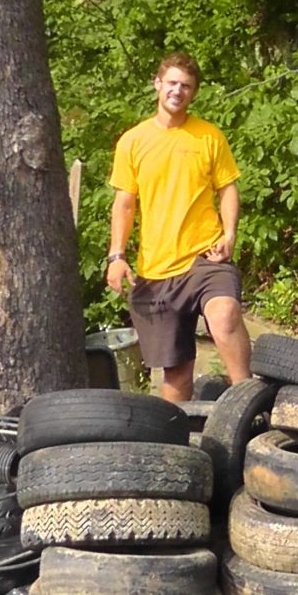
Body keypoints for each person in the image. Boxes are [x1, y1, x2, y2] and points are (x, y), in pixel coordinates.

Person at [106, 52, 251, 401]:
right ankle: (178, 448)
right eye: (171, 83)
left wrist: (229, 234)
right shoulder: (133, 141)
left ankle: (247, 404)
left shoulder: (208, 136)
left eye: (186, 86)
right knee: (176, 378)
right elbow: (124, 204)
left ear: (194, 93)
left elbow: (228, 188)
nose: (177, 91)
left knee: (225, 314)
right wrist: (116, 256)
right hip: (156, 271)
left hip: (205, 256)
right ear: (158, 84)